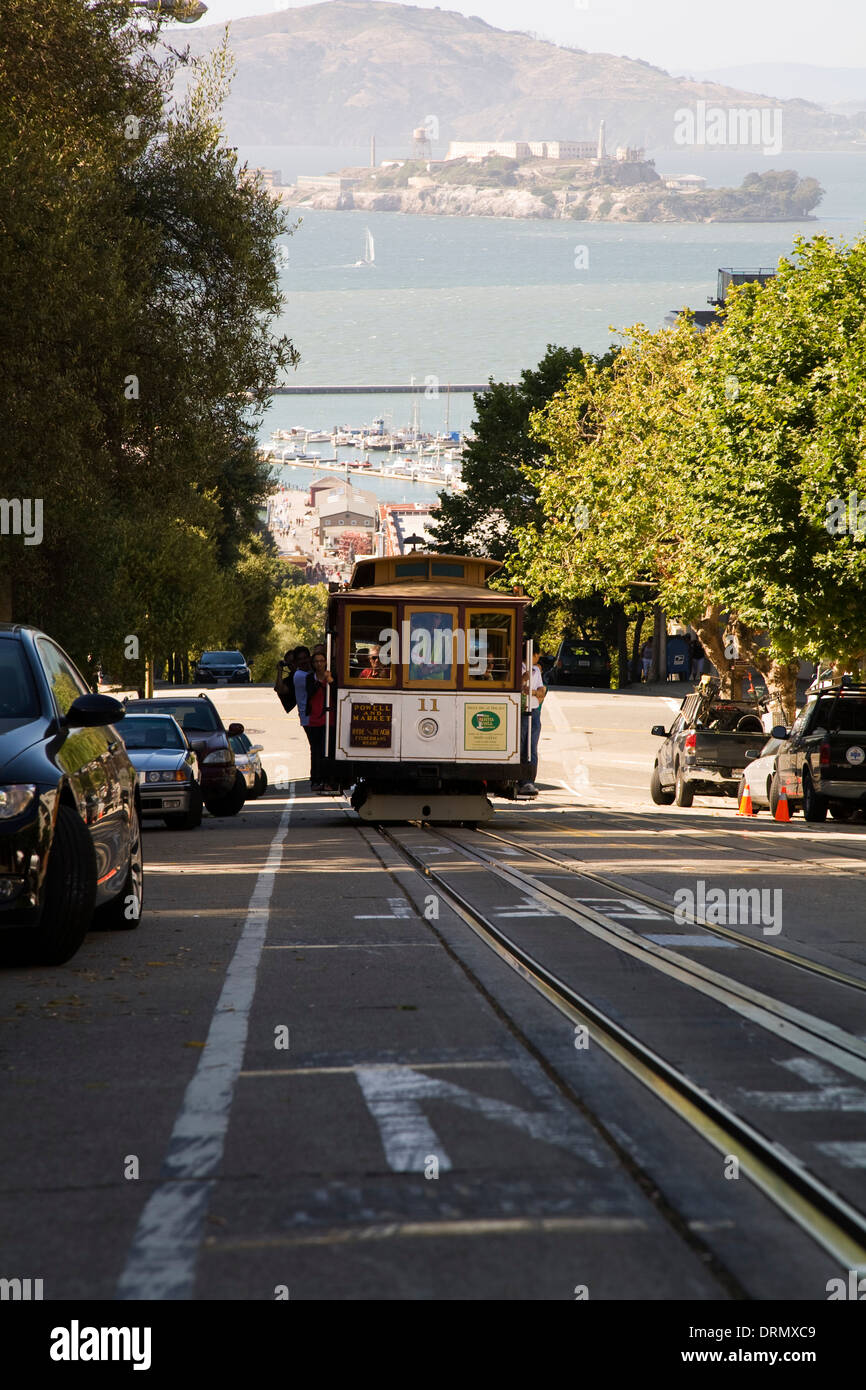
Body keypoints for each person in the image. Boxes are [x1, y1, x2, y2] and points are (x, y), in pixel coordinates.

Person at [306, 652, 337, 792]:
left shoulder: (332, 676)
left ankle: (328, 780)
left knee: (329, 751)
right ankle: (315, 780)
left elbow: (337, 693)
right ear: (313, 664)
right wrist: (319, 681)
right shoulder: (309, 677)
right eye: (316, 661)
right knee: (316, 751)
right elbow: (310, 693)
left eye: (321, 661)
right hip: (314, 719)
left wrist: (330, 680)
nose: (319, 664)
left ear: (326, 662)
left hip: (329, 718)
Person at [518, 651, 546, 797]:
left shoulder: (536, 670)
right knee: (522, 746)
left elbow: (542, 691)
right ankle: (520, 779)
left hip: (534, 711)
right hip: (522, 711)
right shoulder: (518, 668)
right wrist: (523, 680)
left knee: (532, 747)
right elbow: (518, 688)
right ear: (531, 654)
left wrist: (533, 692)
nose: (538, 658)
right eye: (537, 655)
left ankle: (530, 781)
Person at [274, 649, 297, 714]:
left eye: (294, 661)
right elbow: (280, 689)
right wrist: (280, 670)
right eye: (289, 664)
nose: (292, 665)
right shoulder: (291, 679)